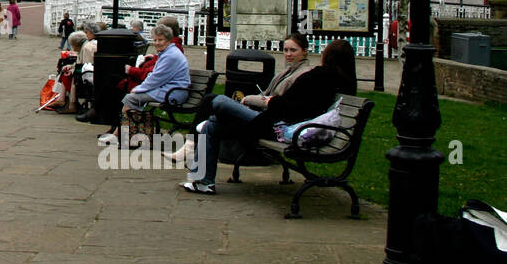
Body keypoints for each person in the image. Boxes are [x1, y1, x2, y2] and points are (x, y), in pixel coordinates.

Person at [181, 38, 356, 195]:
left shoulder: (317, 77)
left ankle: (204, 179)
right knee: (211, 126)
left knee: (218, 102)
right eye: (286, 50)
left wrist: (270, 102)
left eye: (292, 50)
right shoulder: (343, 83)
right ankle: (204, 181)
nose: (288, 53)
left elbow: (289, 106)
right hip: (286, 124)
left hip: (281, 127)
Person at [98, 23, 191, 146]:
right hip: (167, 89)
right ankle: (122, 135)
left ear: (168, 40)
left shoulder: (171, 56)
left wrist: (138, 89)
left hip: (173, 93)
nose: (157, 43)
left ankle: (120, 135)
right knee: (131, 98)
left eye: (161, 40)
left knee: (131, 98)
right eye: (155, 40)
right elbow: (156, 77)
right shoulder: (167, 53)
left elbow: (156, 78)